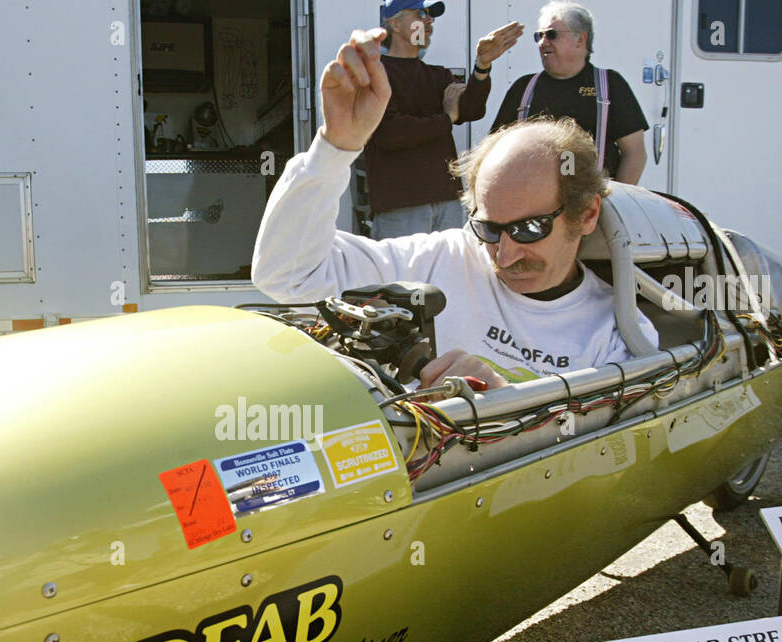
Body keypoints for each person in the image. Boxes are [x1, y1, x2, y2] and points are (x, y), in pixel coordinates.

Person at [251, 28, 657, 390]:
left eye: (531, 228)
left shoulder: (619, 332)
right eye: (490, 229)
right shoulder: (443, 259)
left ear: (586, 215)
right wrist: (335, 147)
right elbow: (287, 276)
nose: (507, 255)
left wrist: (502, 397)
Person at [365, 2, 524, 239]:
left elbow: (471, 110)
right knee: (402, 276)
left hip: (447, 199)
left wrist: (482, 66)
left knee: (446, 275)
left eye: (431, 16)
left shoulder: (437, 75)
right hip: (401, 203)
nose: (429, 22)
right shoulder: (374, 73)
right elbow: (390, 133)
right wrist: (447, 118)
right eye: (420, 14)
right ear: (394, 23)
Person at [489, 3, 647, 184]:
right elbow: (495, 149)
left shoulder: (609, 85)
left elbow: (635, 153)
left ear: (580, 39)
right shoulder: (524, 87)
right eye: (539, 36)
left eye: (551, 35)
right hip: (533, 201)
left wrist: (617, 201)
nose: (543, 42)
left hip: (593, 200)